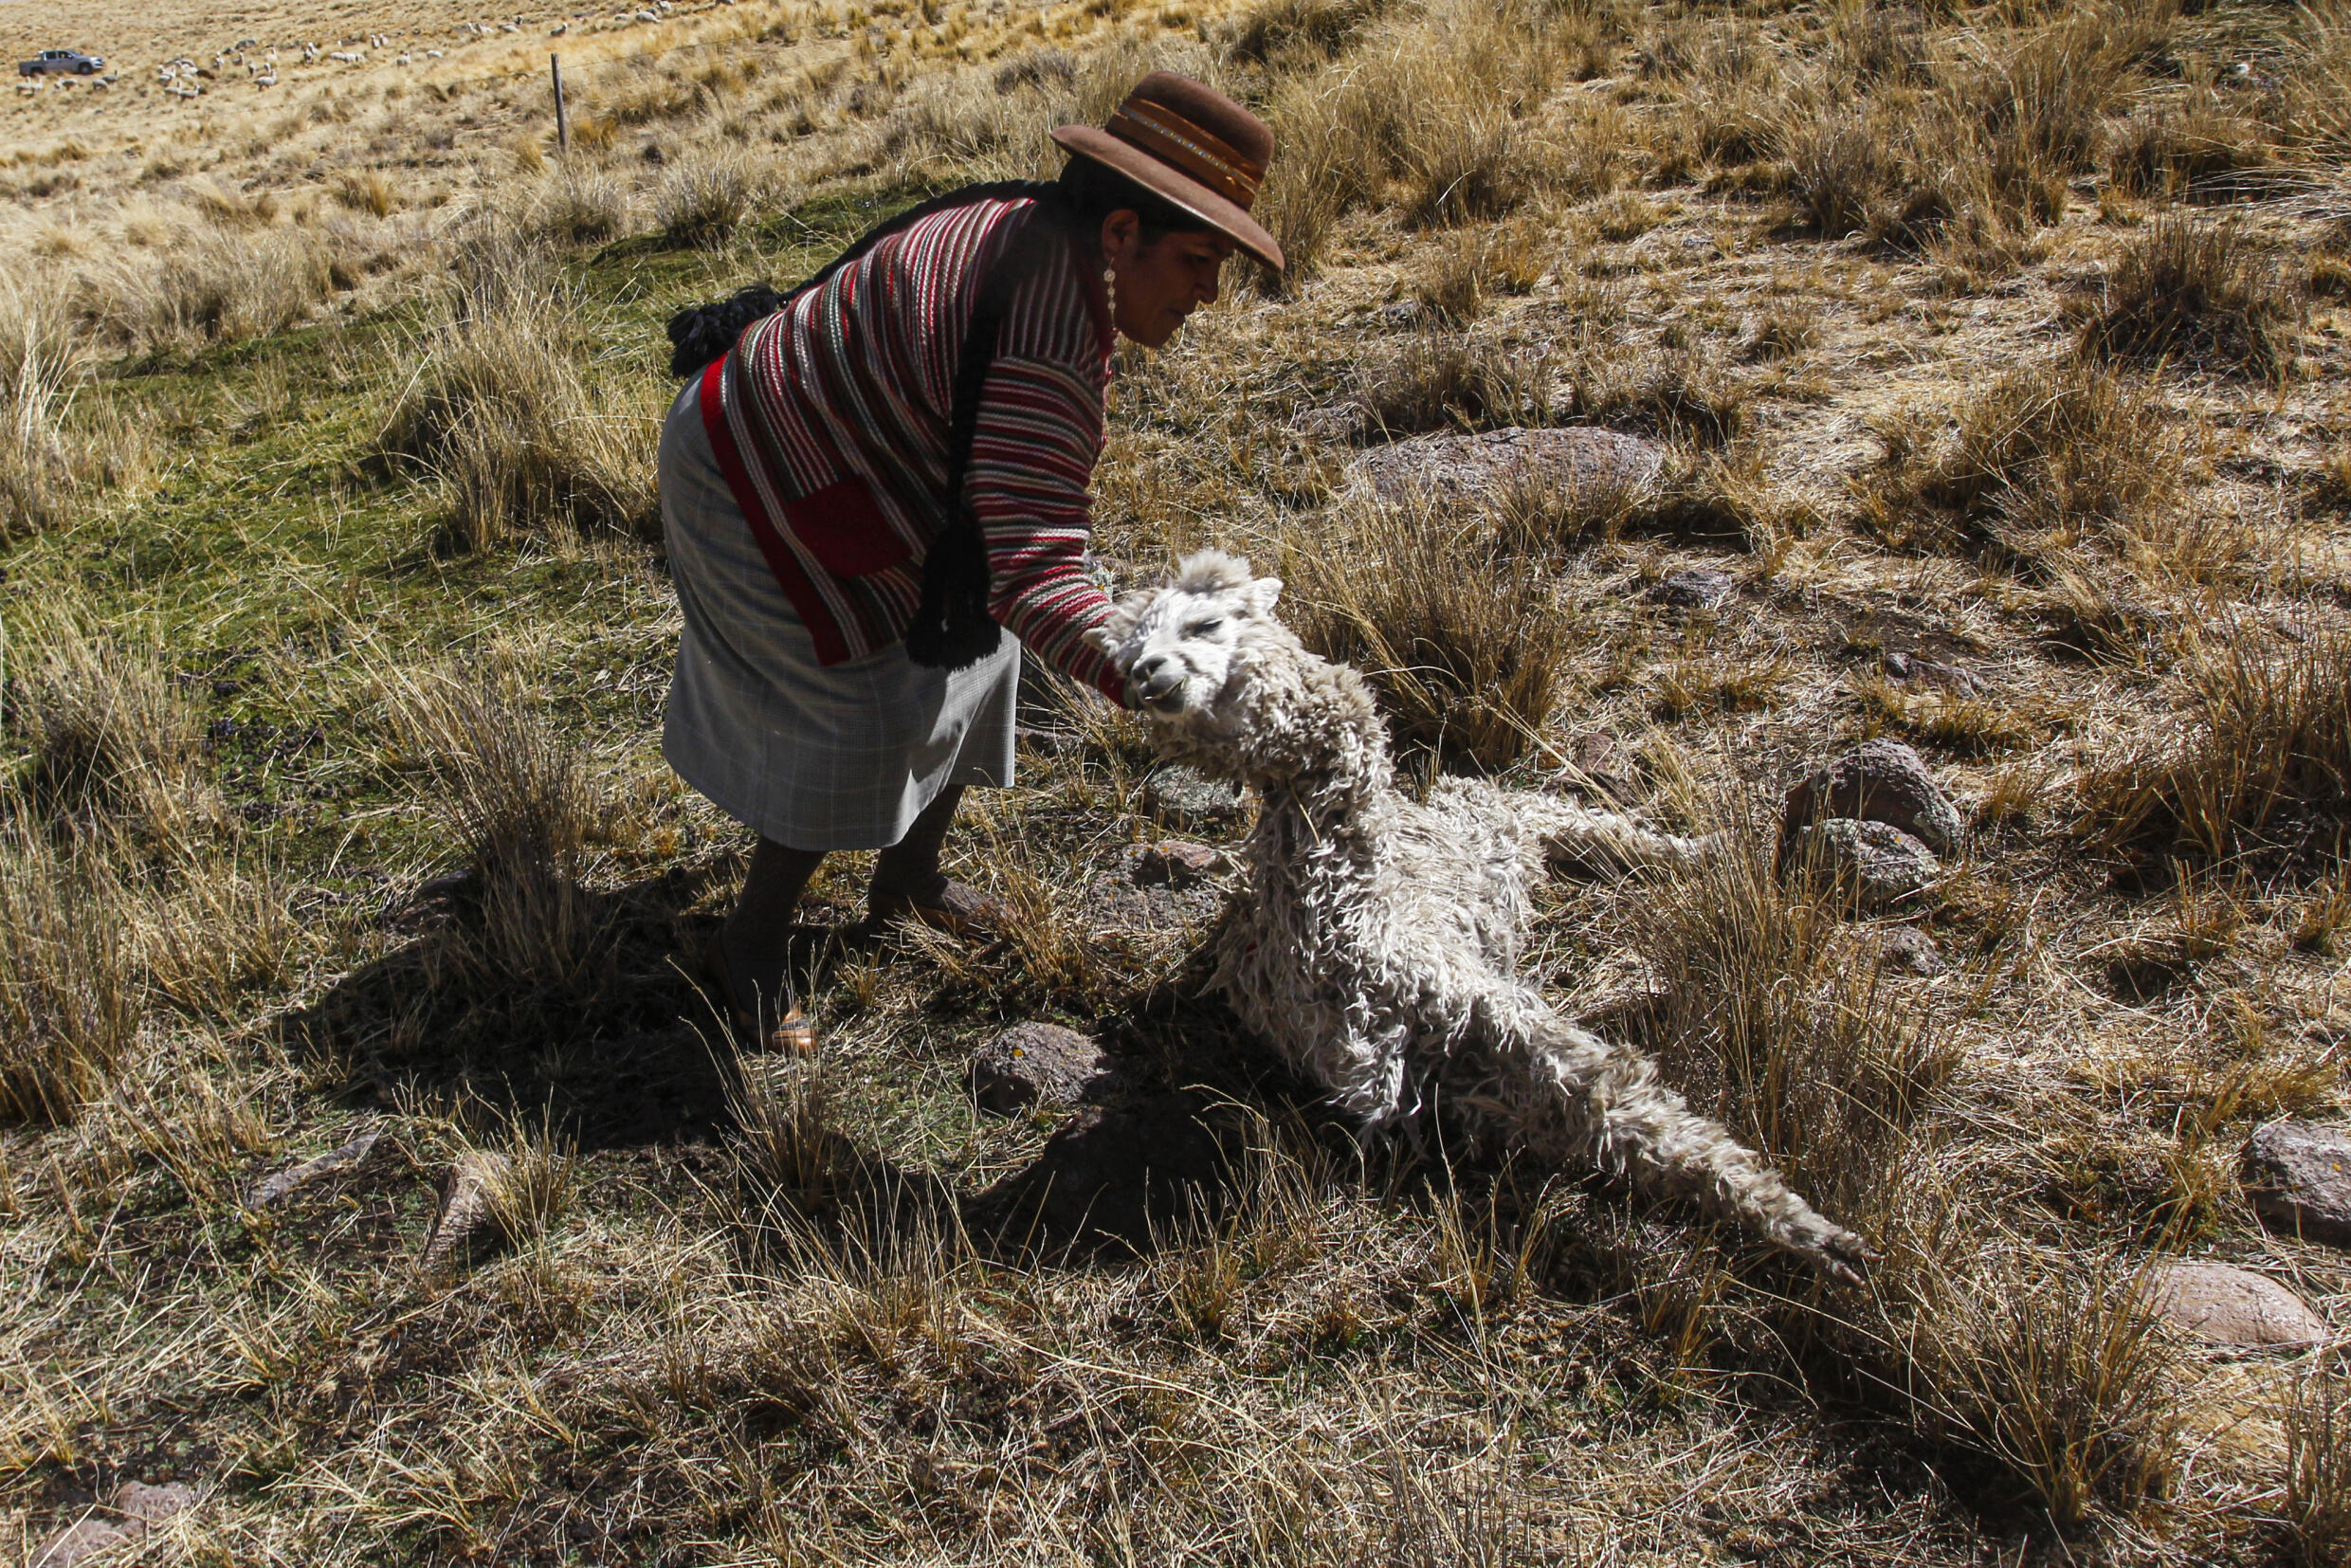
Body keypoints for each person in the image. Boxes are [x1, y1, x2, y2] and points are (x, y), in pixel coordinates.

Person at [657, 72, 1283, 1052]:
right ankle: (752, 942)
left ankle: (907, 880)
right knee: (852, 711)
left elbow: (1017, 544)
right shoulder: (1048, 324)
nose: (1208, 292)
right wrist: (1161, 674)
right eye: (1198, 259)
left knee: (977, 652)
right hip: (752, 474)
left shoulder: (1044, 236)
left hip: (854, 473)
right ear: (1120, 234)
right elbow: (1031, 568)